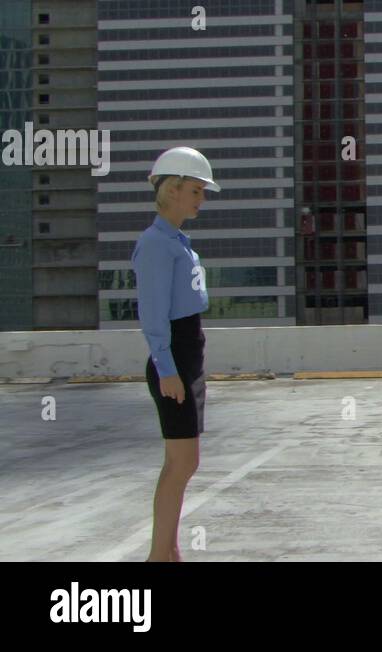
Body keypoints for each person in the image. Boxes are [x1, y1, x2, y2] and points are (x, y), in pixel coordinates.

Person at [131, 146, 220, 562]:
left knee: (183, 462)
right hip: (175, 360)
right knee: (182, 463)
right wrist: (167, 369)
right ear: (172, 190)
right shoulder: (155, 245)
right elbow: (152, 314)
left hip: (187, 356)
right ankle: (158, 556)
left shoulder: (177, 243)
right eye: (196, 191)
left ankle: (169, 551)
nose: (201, 200)